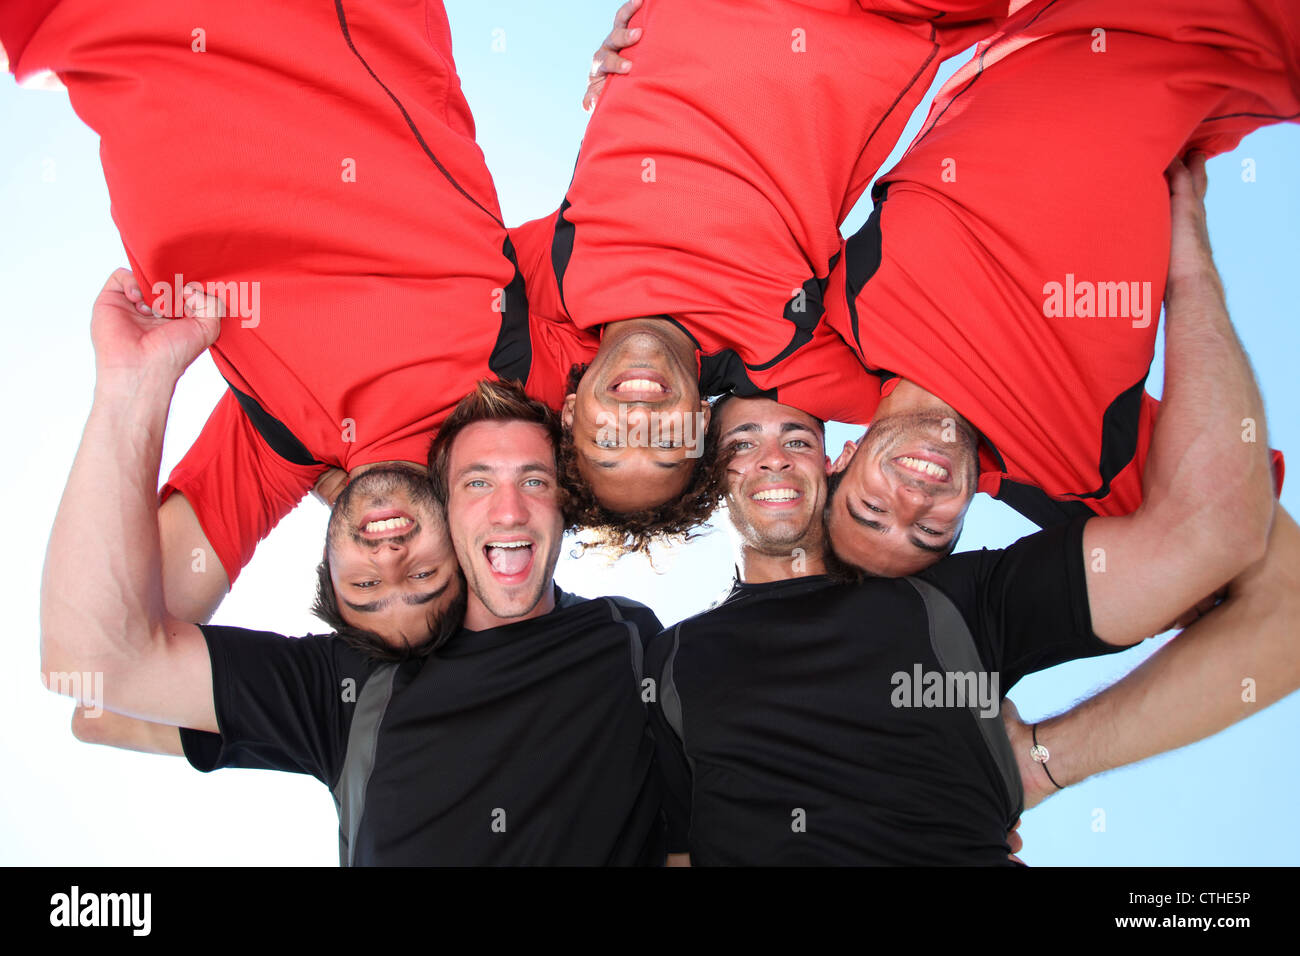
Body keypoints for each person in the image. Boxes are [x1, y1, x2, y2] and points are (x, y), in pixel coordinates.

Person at [2, 0, 599, 648]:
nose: (390, 559)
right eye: (426, 578)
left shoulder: (282, 442)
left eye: (366, 588)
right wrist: (639, 51)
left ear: (329, 575)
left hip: (68, 25)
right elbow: (649, 203)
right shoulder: (525, 374)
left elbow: (98, 656)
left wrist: (127, 392)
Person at [650, 295, 1295, 863]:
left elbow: (1278, 605)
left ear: (837, 459)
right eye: (741, 445)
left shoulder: (952, 599)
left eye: (797, 440)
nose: (773, 459)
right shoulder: (671, 659)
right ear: (713, 480)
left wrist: (1047, 759)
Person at [39, 282, 665, 864]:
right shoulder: (352, 684)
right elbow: (100, 695)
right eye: (412, 577)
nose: (390, 560)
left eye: (369, 583)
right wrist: (130, 391)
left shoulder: (627, 639)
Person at [511, 0, 1014, 550]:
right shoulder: (781, 352)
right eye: (667, 445)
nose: (639, 420)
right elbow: (963, 405)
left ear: (571, 413)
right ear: (703, 424)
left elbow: (441, 298)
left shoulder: (545, 285)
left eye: (608, 443)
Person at [822, 0, 1297, 576]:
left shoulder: (832, 322)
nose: (912, 502)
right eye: (930, 532)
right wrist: (1194, 269)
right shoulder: (1073, 471)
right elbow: (1232, 522)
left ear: (840, 459)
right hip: (1252, 36)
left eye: (872, 509)